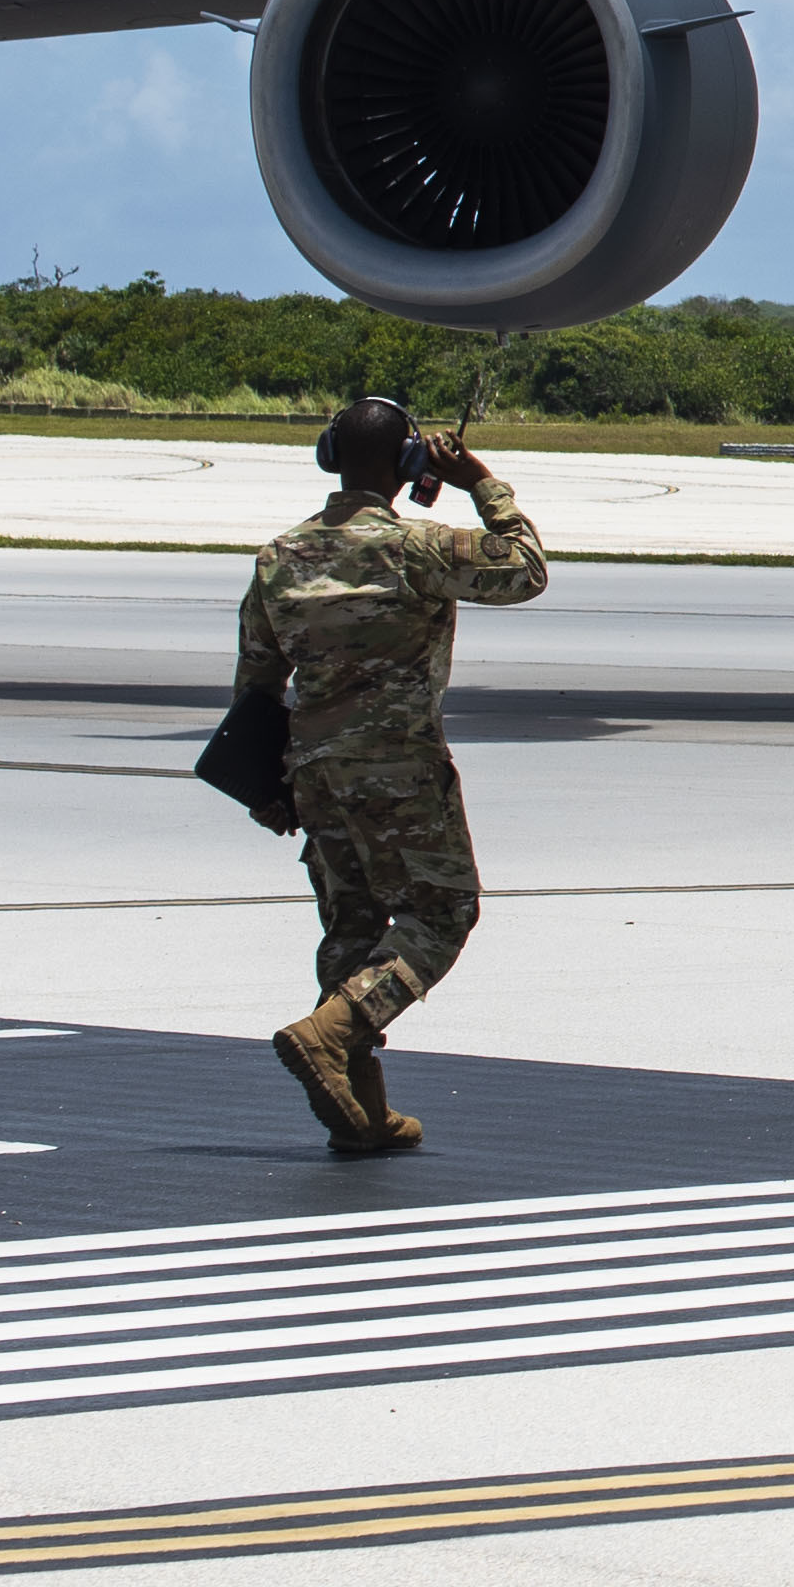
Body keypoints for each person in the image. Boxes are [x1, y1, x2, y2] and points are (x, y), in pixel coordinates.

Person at [240, 395, 546, 1158]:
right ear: (406, 464)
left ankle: (359, 1108)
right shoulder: (418, 548)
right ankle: (329, 1033)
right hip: (399, 767)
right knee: (441, 915)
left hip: (315, 771)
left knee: (351, 926)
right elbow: (525, 571)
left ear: (327, 454)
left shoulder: (279, 557)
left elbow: (256, 681)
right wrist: (479, 481)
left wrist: (271, 784)